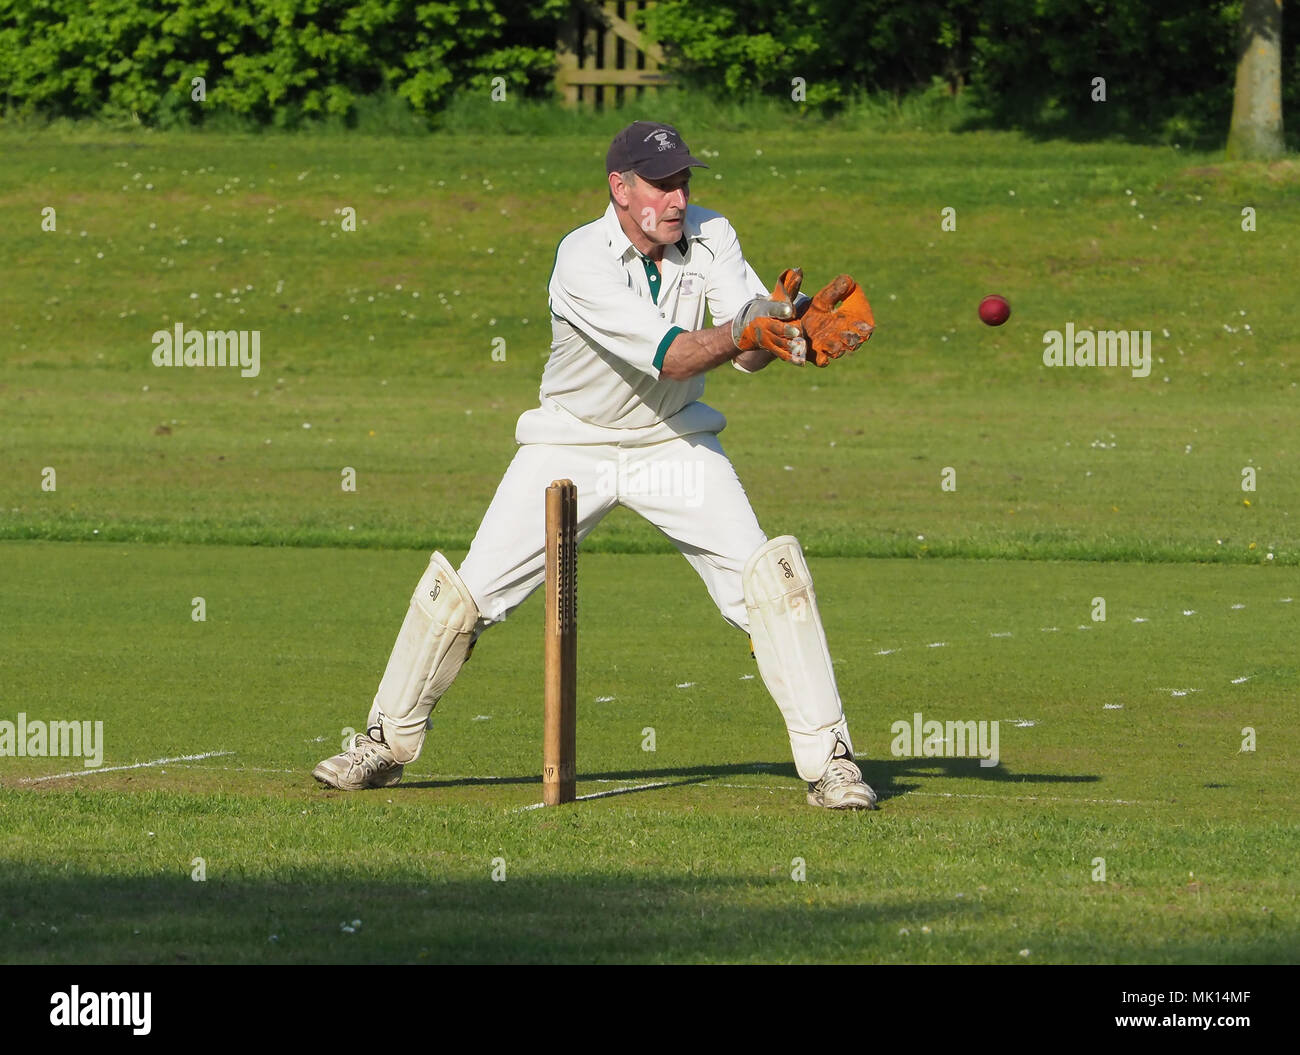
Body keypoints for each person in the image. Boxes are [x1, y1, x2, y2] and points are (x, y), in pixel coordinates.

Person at [313, 120, 877, 809]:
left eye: (684, 182)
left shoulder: (712, 232)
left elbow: (748, 343)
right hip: (570, 443)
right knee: (466, 594)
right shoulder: (581, 258)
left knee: (770, 581)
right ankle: (383, 741)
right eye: (661, 184)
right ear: (620, 187)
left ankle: (832, 762)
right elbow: (674, 353)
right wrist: (744, 331)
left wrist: (781, 324)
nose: (677, 198)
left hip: (673, 440)